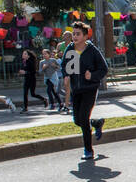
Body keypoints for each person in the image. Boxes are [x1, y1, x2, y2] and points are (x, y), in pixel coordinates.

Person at [64, 21, 108, 161]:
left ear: (85, 36)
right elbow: (68, 67)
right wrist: (66, 76)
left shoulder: (92, 50)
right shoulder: (71, 49)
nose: (75, 37)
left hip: (89, 89)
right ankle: (95, 123)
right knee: (77, 120)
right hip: (77, 90)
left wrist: (92, 76)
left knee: (83, 118)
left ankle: (88, 151)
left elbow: (103, 69)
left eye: (78, 34)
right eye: (73, 34)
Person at [19, 47, 47, 112]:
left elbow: (33, 72)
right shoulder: (24, 61)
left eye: (25, 54)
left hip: (32, 79)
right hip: (26, 79)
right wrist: (21, 72)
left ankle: (44, 99)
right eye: (23, 54)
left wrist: (25, 72)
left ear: (28, 55)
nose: (23, 55)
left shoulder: (31, 62)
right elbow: (23, 69)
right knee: (25, 93)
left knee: (33, 94)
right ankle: (25, 107)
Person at [40, 44, 63, 110]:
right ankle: (60, 103)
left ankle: (52, 104)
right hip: (47, 78)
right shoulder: (42, 62)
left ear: (49, 54)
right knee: (53, 91)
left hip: (53, 77)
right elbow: (40, 71)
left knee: (48, 90)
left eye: (45, 54)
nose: (44, 55)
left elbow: (59, 68)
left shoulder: (53, 60)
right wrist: (43, 68)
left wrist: (54, 66)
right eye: (43, 54)